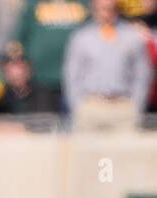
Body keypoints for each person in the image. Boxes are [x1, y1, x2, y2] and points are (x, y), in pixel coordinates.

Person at [63, 0, 153, 130]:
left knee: (125, 149)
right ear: (94, 9)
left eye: (111, 8)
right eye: (102, 9)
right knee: (88, 150)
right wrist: (78, 106)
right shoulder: (81, 37)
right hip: (91, 106)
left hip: (123, 107)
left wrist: (136, 106)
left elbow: (143, 73)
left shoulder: (132, 36)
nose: (106, 13)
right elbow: (72, 74)